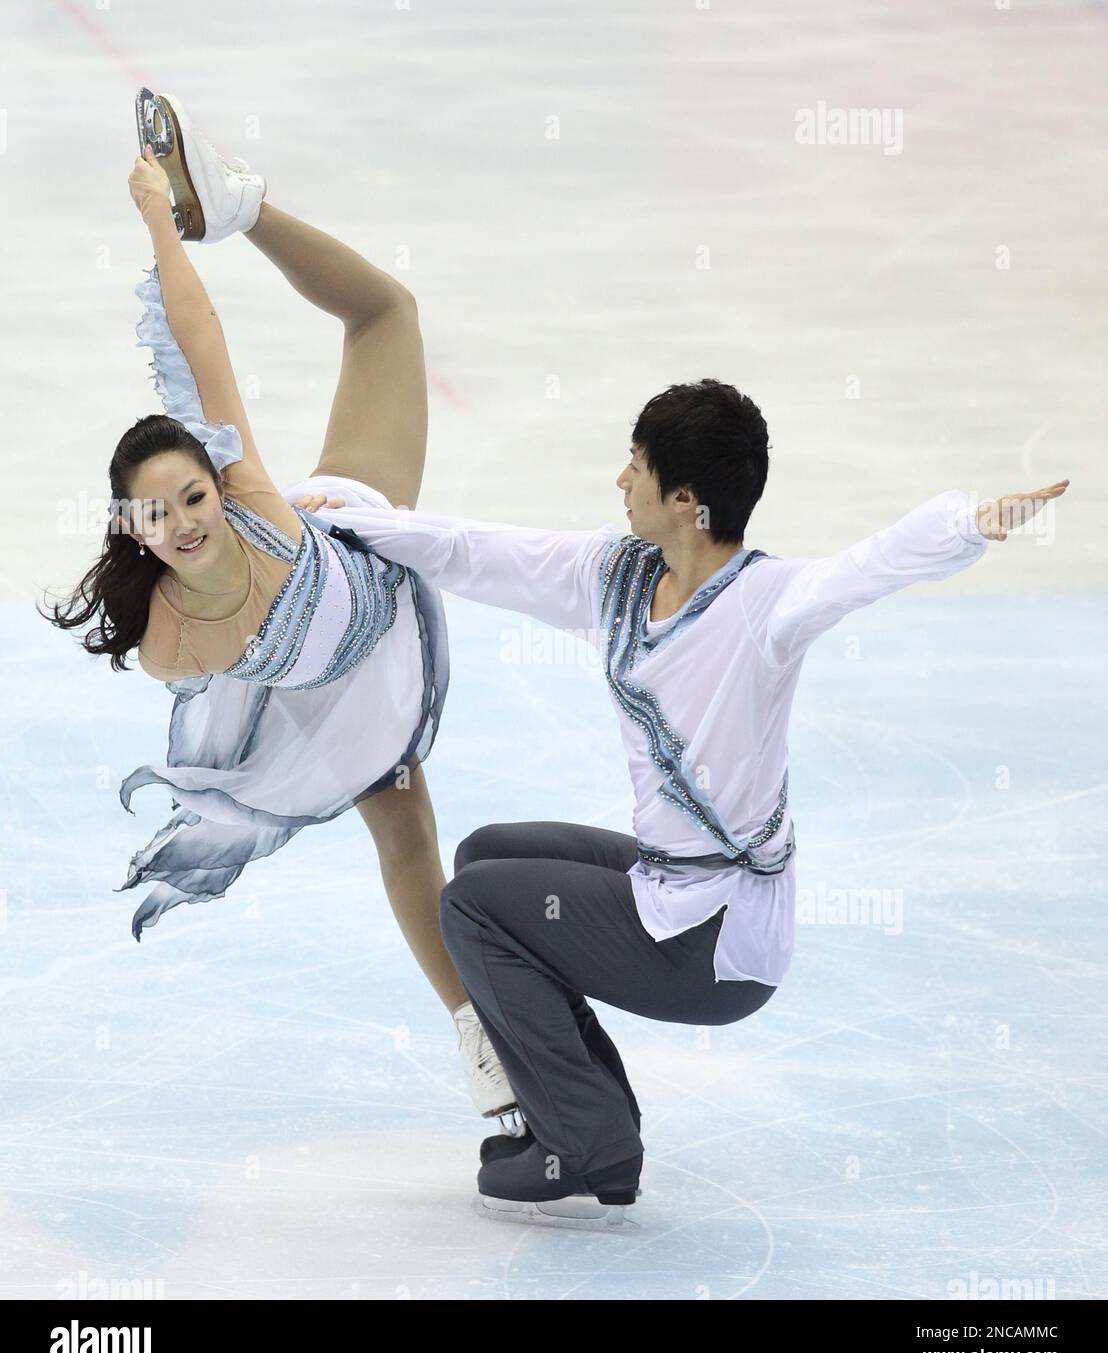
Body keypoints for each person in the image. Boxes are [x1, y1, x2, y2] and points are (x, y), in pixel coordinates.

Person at [294, 382, 1068, 1228]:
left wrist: (968, 525)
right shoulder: (622, 576)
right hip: (671, 886)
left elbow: (865, 568)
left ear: (686, 501)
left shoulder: (765, 607)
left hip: (720, 941)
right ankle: (597, 1120)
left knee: (473, 908)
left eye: (636, 467)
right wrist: (352, 523)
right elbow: (485, 552)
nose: (619, 481)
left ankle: (581, 1142)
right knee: (486, 856)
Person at [38, 89, 518, 1128]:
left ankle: (236, 205)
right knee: (405, 835)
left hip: (355, 559)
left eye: (195, 495)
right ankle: (482, 1037)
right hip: (335, 682)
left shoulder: (245, 496)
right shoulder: (165, 642)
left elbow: (193, 330)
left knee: (385, 314)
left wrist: (162, 215)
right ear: (135, 532)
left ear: (218, 482)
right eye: (159, 516)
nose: (187, 521)